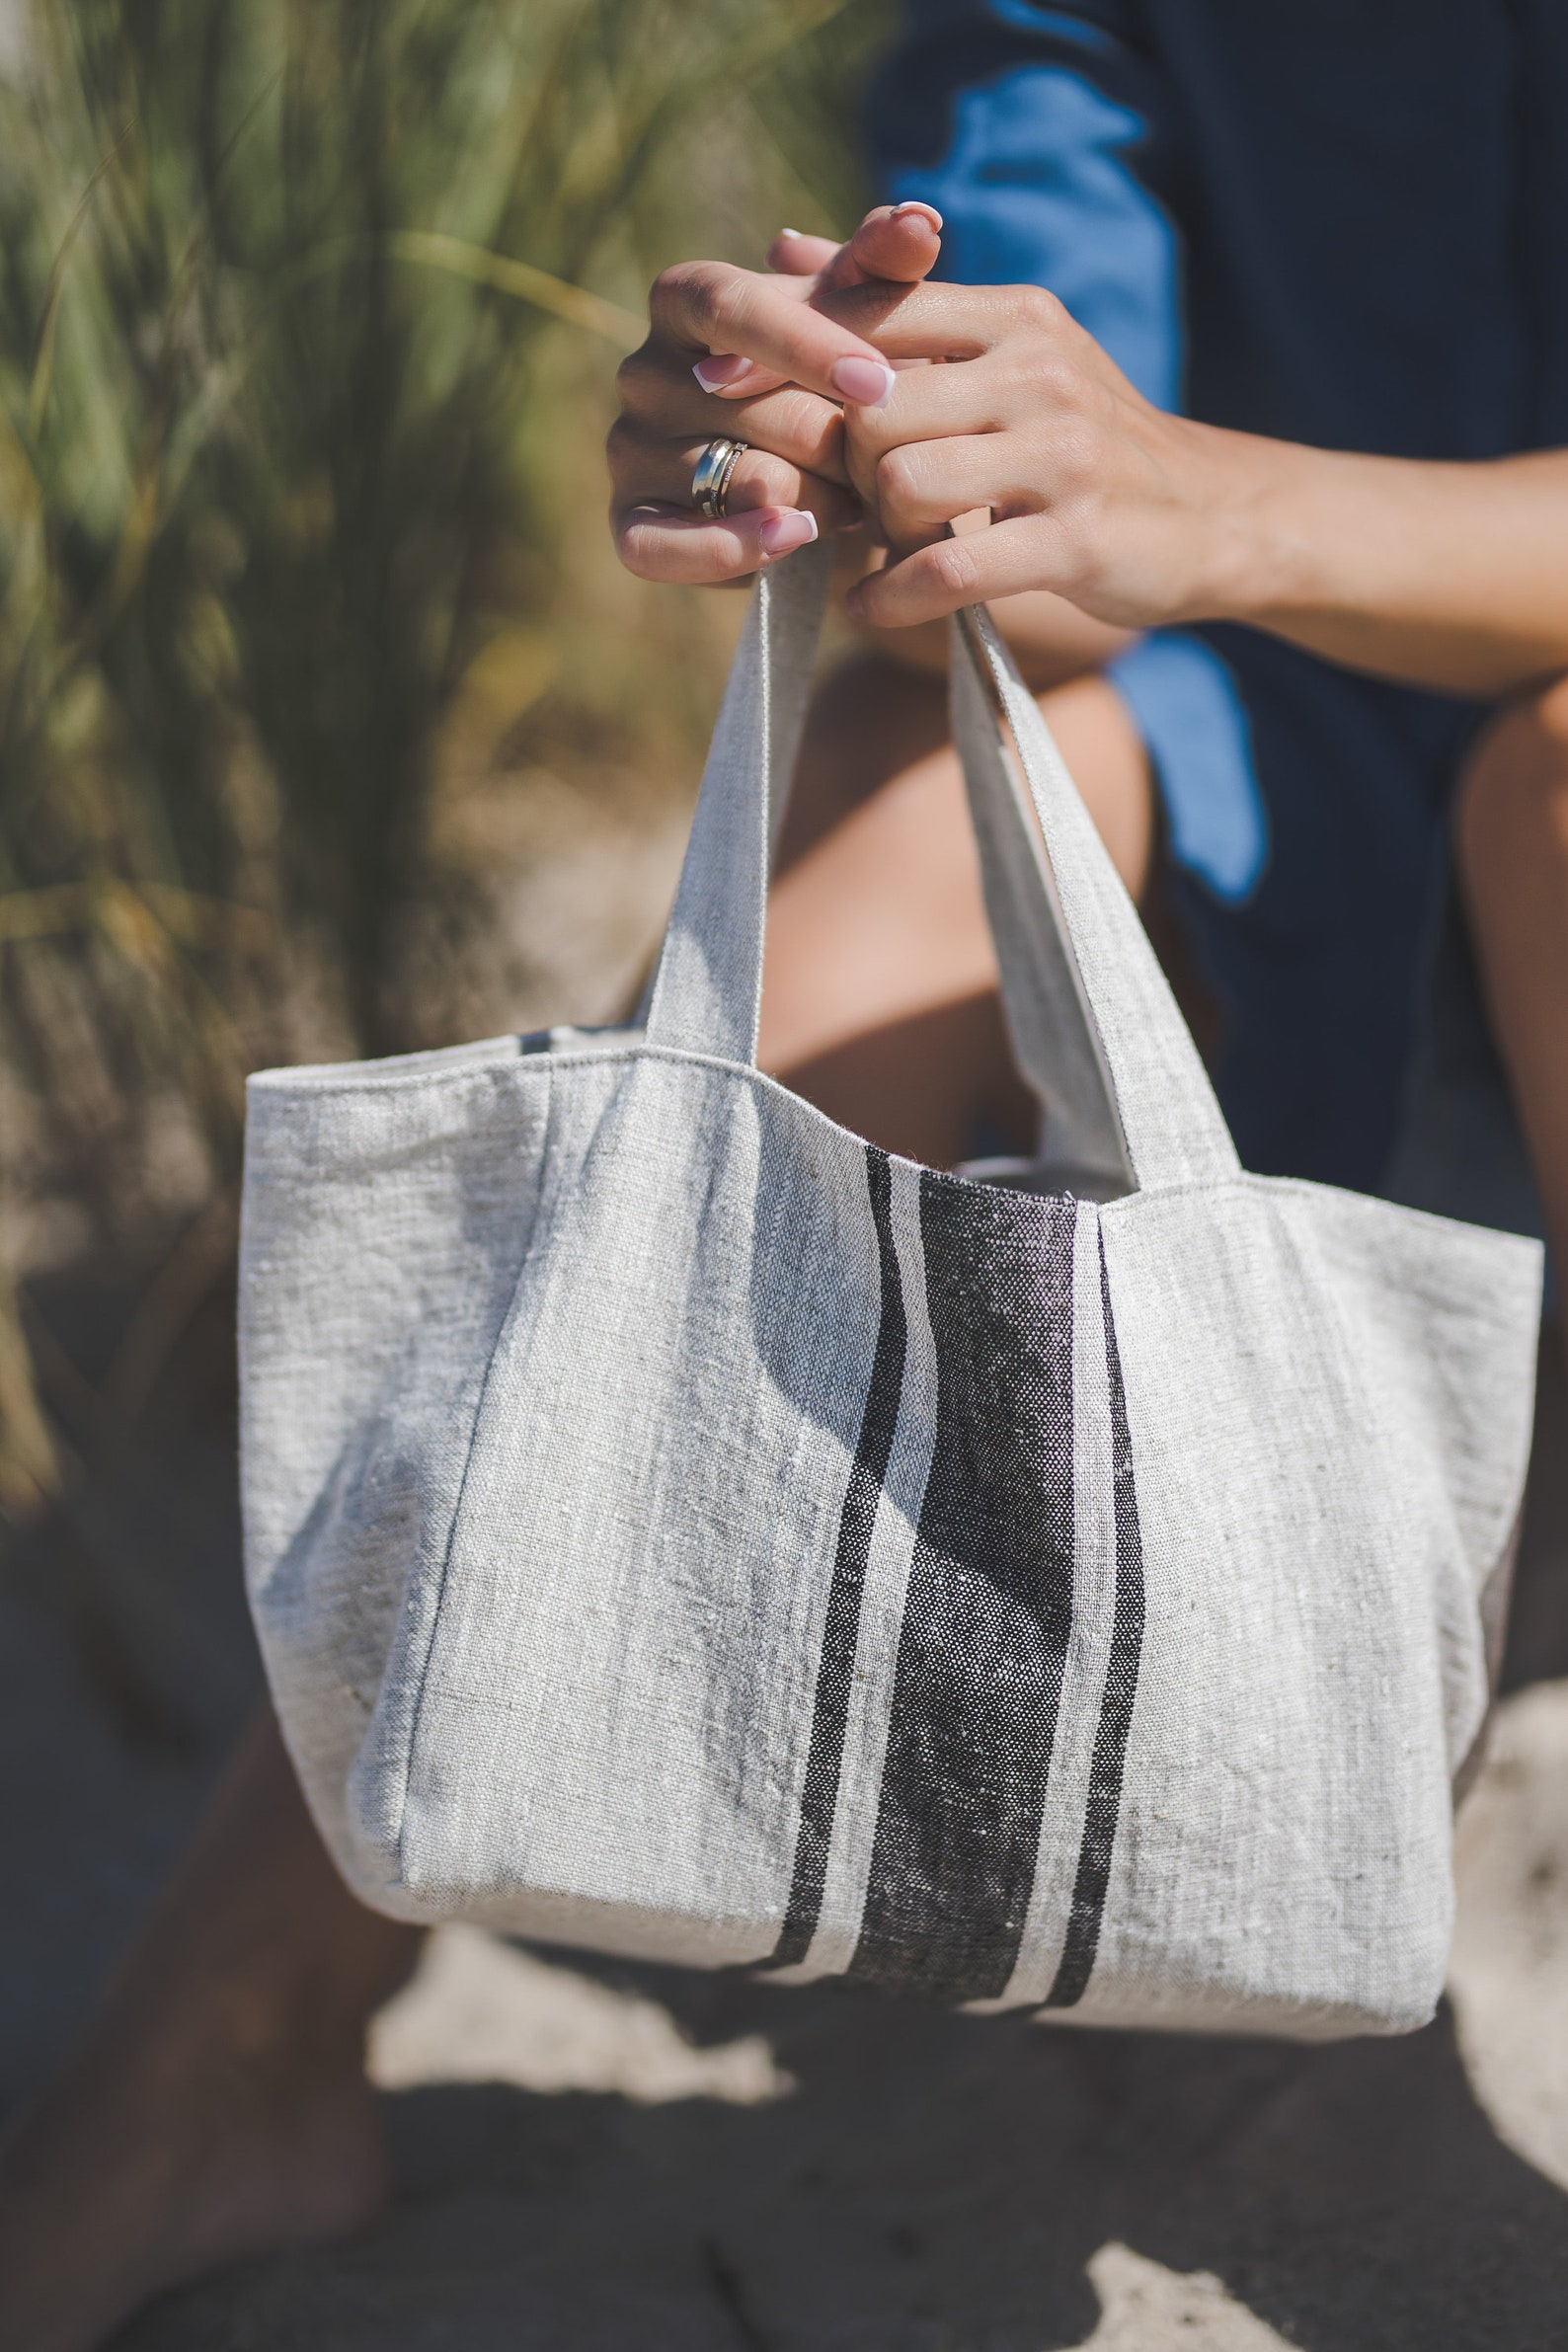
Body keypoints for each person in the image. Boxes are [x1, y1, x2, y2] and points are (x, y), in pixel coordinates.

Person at [3, 7, 1566, 2345]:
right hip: (1299, 843)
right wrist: (862, 458)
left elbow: (1175, 507)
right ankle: (229, 2041)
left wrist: (1214, 500)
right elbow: (1043, 570)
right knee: (877, 786)